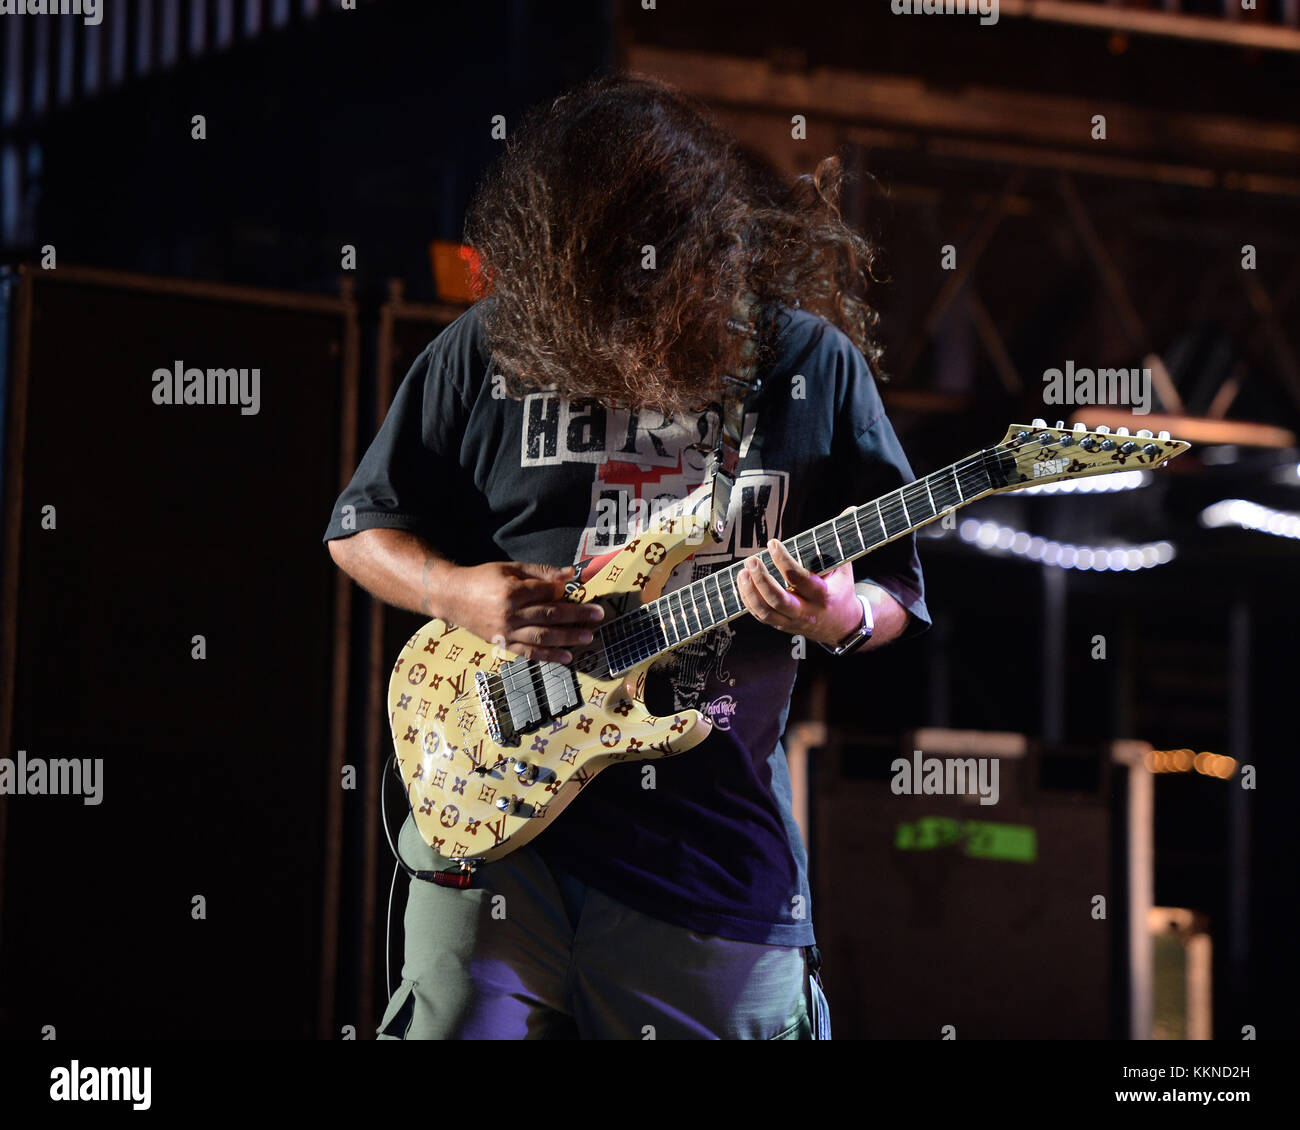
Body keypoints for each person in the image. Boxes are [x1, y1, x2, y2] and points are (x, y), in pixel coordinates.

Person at [323, 74, 930, 1040]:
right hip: (489, 814)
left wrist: (838, 614)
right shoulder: (488, 350)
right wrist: (462, 593)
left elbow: (894, 589)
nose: (617, 319)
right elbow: (360, 527)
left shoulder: (806, 366)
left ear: (699, 253)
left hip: (704, 849)